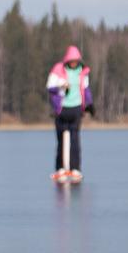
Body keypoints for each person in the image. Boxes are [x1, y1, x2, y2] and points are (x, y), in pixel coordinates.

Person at [45, 46, 94, 179]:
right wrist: (61, 86)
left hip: (76, 108)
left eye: (76, 61)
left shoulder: (82, 72)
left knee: (75, 139)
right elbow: (50, 87)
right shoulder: (58, 70)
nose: (74, 63)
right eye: (71, 61)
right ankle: (60, 168)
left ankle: (75, 169)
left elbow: (86, 89)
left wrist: (89, 104)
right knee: (61, 139)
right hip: (61, 108)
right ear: (67, 60)